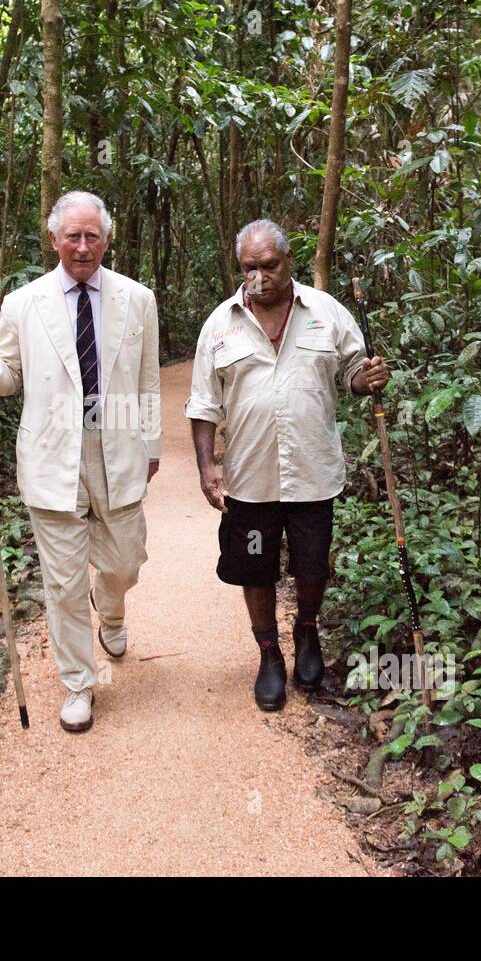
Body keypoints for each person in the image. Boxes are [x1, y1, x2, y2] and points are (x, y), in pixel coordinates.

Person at [0, 191, 161, 732]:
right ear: (54, 239)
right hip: (52, 455)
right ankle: (77, 685)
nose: (83, 247)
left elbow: (148, 378)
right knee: (62, 583)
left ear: (108, 239)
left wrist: (151, 445)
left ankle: (110, 610)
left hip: (117, 447)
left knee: (125, 564)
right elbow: (5, 378)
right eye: (73, 236)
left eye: (93, 236)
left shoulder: (138, 299)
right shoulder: (24, 303)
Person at [185, 219, 389, 711]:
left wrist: (369, 378)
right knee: (255, 569)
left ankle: (307, 633)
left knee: (311, 564)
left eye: (269, 265)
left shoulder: (327, 312)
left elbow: (351, 373)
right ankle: (269, 653)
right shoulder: (220, 325)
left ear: (289, 262)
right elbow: (203, 403)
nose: (260, 277)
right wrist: (207, 467)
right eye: (250, 268)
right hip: (250, 481)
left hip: (313, 473)